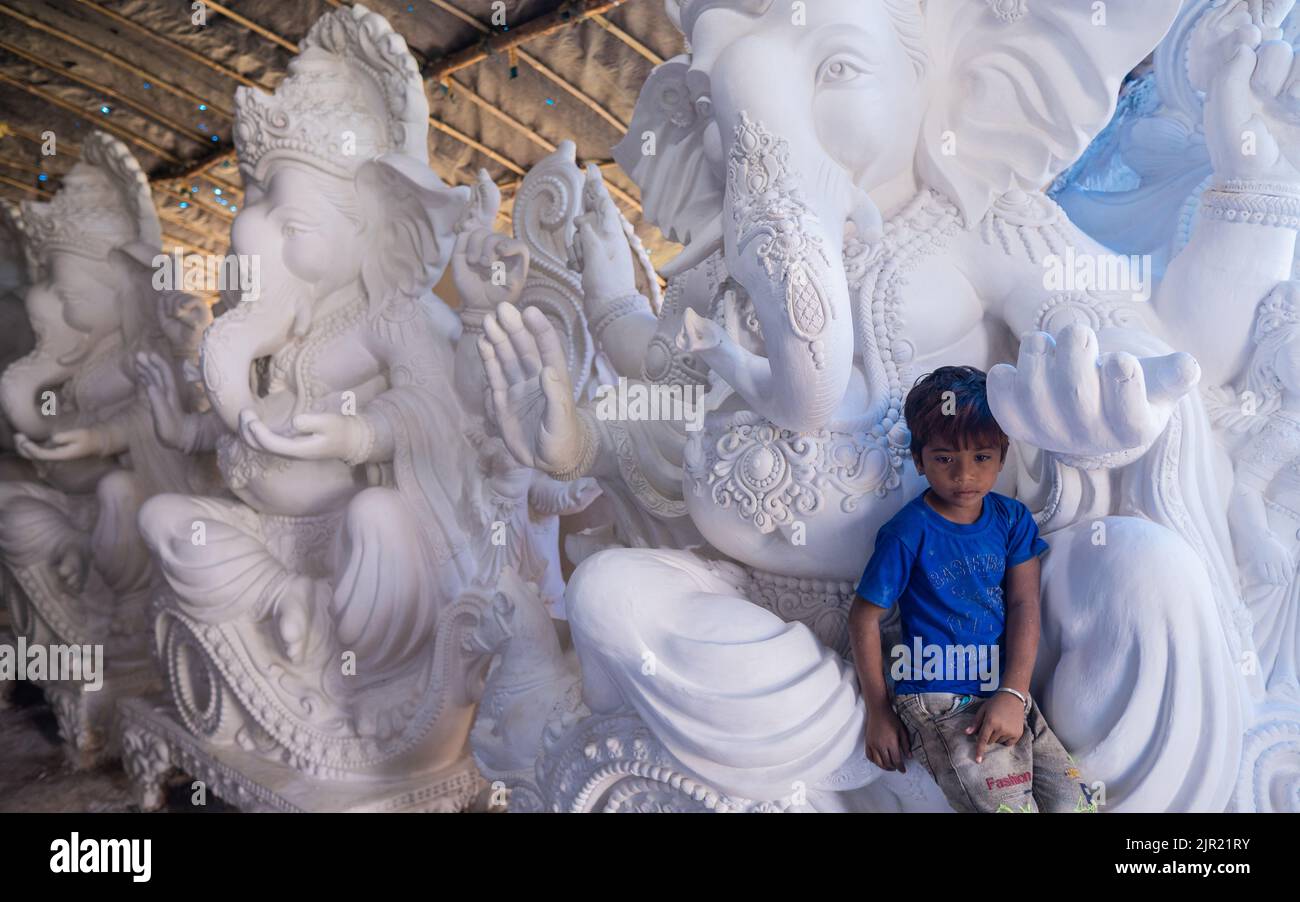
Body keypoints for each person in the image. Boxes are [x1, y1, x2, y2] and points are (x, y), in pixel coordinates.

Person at [848, 365, 1096, 812]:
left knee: (1079, 805)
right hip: (940, 699)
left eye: (982, 457)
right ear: (920, 459)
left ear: (1002, 457)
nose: (965, 475)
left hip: (1006, 691)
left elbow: (1024, 604)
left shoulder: (1011, 520)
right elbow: (863, 616)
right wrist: (879, 713)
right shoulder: (907, 532)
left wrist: (1013, 693)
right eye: (945, 458)